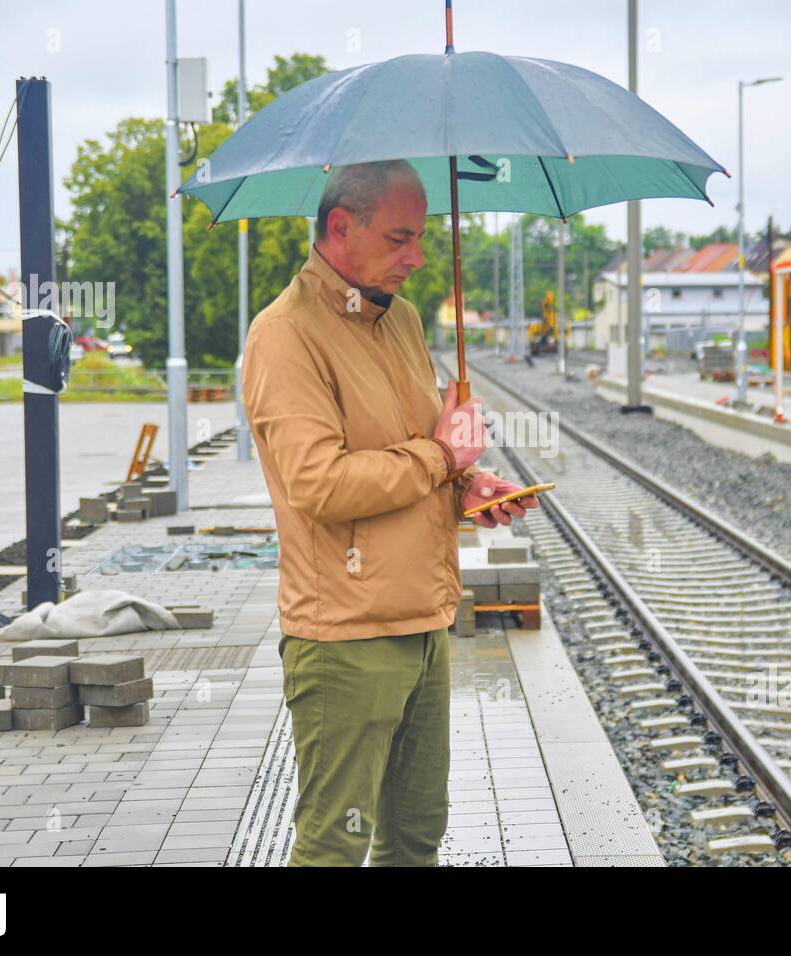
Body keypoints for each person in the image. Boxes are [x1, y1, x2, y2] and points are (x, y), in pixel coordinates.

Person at [242, 159, 540, 866]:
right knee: (334, 850)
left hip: (425, 620)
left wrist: (467, 488)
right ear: (341, 227)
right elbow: (321, 484)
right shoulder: (285, 336)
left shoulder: (399, 319)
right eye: (401, 237)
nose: (419, 257)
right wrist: (441, 460)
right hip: (346, 639)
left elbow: (412, 448)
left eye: (424, 235)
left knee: (414, 838)